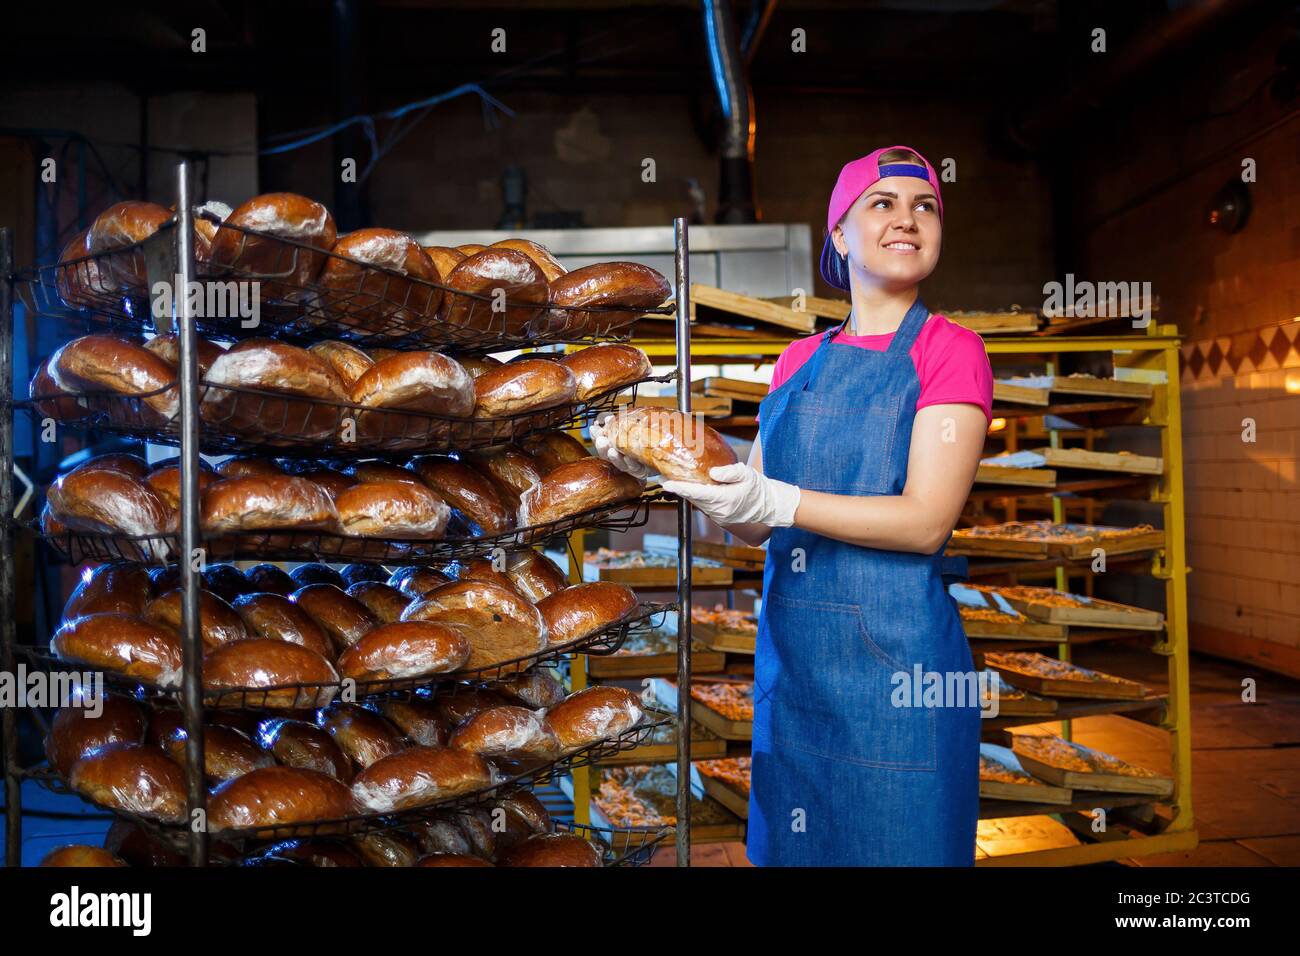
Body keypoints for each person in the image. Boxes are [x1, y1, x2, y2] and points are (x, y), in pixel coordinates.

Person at [591, 145, 993, 866]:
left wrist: (773, 496)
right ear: (839, 236)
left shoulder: (950, 350)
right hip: (796, 672)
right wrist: (680, 475)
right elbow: (752, 525)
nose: (908, 219)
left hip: (903, 679)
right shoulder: (798, 360)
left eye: (925, 206)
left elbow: (926, 521)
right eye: (883, 204)